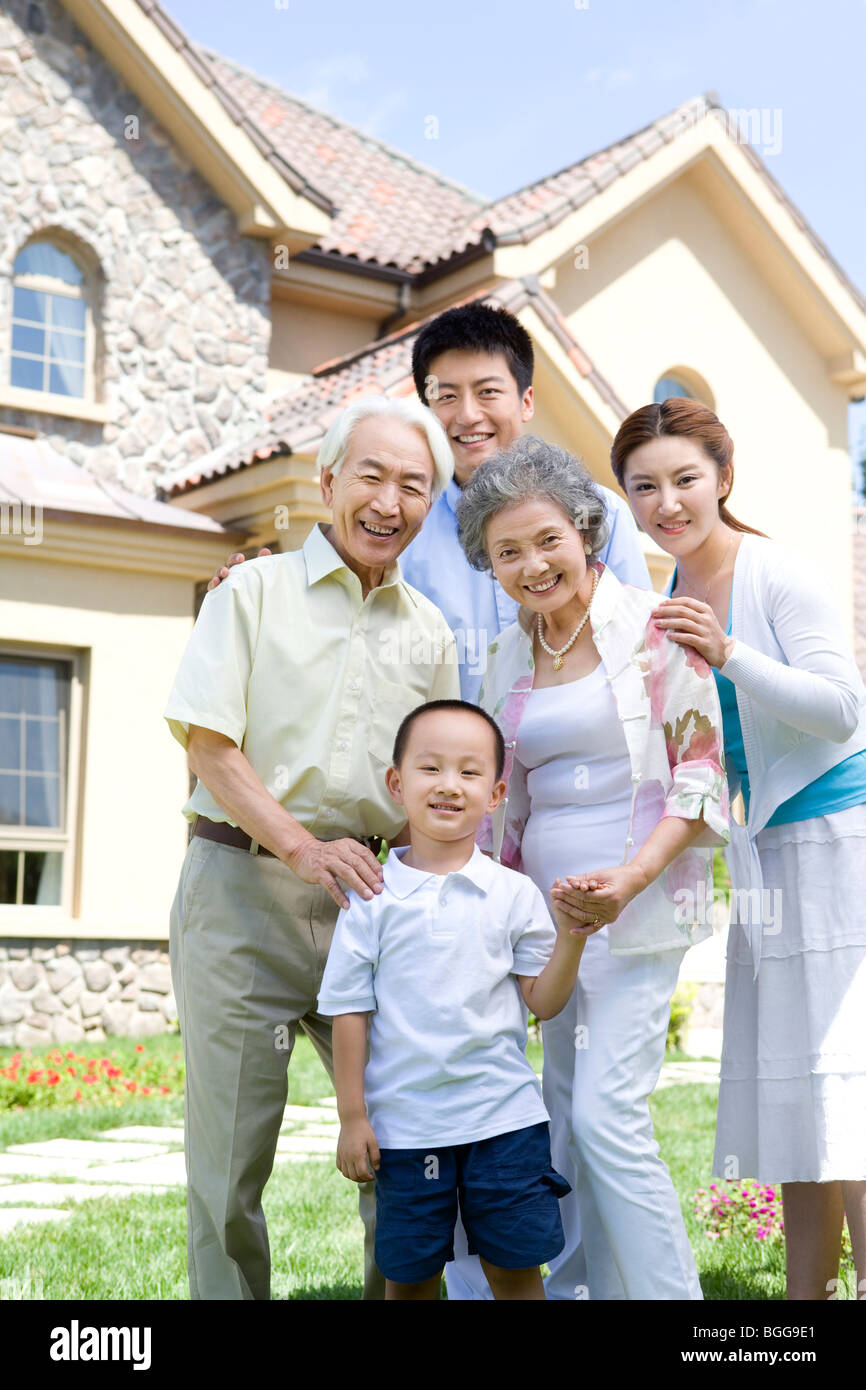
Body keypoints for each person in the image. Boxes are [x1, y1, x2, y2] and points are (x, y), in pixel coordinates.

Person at [164, 396, 461, 1301]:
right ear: (328, 482)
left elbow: (432, 791)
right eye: (370, 475)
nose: (388, 500)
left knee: (399, 1145)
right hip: (240, 894)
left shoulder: (432, 632)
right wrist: (299, 848)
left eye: (414, 485)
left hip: (372, 907)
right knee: (230, 1160)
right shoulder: (249, 594)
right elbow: (210, 745)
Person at [454, 434, 730, 1300]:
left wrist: (627, 882)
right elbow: (504, 801)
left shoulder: (654, 631)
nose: (532, 565)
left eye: (546, 542)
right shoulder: (504, 658)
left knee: (607, 1117)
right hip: (547, 926)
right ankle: (582, 1292)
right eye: (507, 553)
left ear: (585, 534)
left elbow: (699, 776)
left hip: (638, 910)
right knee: (563, 1121)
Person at [612, 396, 866, 1301]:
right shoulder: (669, 598)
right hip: (767, 852)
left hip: (840, 842)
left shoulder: (778, 574)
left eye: (685, 479)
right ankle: (802, 1310)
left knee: (847, 1084)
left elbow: (842, 709)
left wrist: (728, 653)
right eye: (644, 488)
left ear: (723, 479)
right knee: (797, 1088)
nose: (667, 502)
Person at [207, 302, 651, 703]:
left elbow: (642, 651)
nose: (468, 415)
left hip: (574, 769)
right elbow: (335, 618)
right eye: (447, 396)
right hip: (441, 780)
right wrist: (256, 595)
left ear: (526, 400)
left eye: (488, 392)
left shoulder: (598, 513)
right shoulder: (398, 522)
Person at [317, 699, 588, 1300]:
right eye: (430, 768)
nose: (448, 786)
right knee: (410, 1278)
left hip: (506, 1122)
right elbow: (348, 1012)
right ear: (397, 783)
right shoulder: (371, 899)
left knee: (515, 1271)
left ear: (494, 795)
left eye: (469, 773)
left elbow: (544, 1002)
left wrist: (571, 938)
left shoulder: (514, 894)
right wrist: (352, 1116)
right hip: (406, 1131)